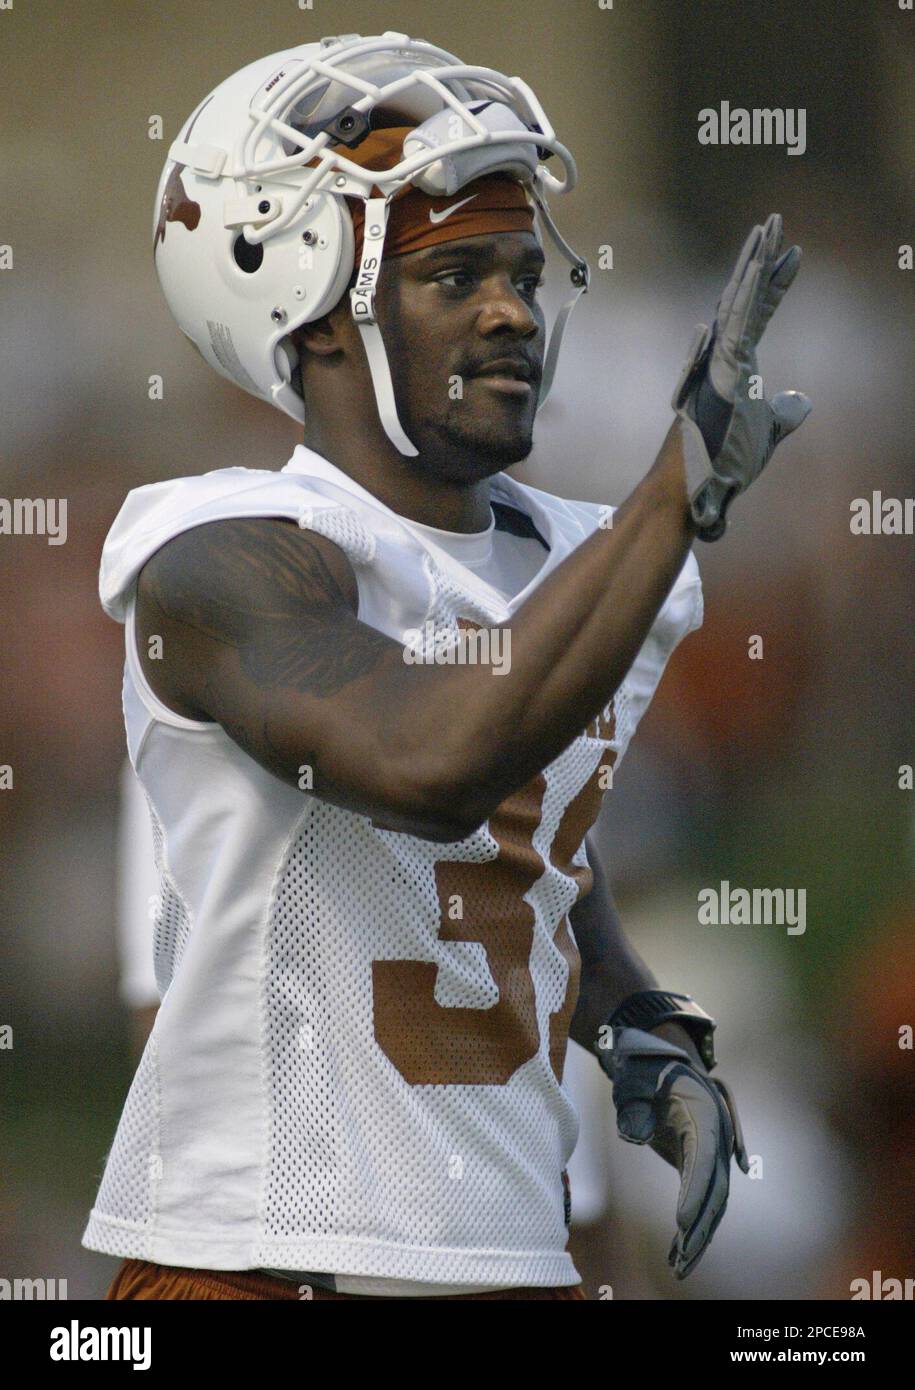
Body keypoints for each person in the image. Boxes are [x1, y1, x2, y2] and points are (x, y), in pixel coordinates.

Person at [84, 32, 809, 1301]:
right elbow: (428, 764)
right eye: (455, 273)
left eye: (527, 273)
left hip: (508, 1251)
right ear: (309, 311)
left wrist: (639, 1026)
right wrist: (674, 488)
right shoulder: (211, 559)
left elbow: (522, 855)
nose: (512, 311)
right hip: (258, 1261)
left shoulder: (584, 559)